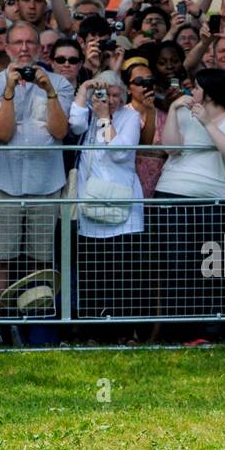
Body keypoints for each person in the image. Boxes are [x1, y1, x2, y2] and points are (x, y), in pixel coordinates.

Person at [0, 21, 73, 344]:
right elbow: (2, 133)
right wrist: (8, 90)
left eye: (29, 43)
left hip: (46, 184)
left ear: (39, 48)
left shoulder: (60, 83)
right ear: (6, 48)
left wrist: (48, 92)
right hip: (4, 183)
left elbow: (61, 131)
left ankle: (35, 328)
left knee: (40, 260)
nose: (23, 49)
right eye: (17, 43)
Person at [155, 68, 225, 342]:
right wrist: (175, 111)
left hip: (212, 198)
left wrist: (207, 123)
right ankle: (175, 334)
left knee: (207, 265)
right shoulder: (184, 112)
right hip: (173, 193)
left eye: (196, 88)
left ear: (210, 92)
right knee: (176, 266)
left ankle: (205, 332)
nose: (191, 93)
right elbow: (171, 149)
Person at [68, 70, 145, 330]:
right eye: (102, 94)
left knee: (123, 274)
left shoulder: (130, 117)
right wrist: (83, 90)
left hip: (122, 206)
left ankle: (124, 330)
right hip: (91, 205)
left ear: (123, 97)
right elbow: (74, 124)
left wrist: (104, 119)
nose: (109, 99)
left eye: (114, 94)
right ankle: (94, 330)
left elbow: (120, 152)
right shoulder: (89, 114)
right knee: (93, 274)